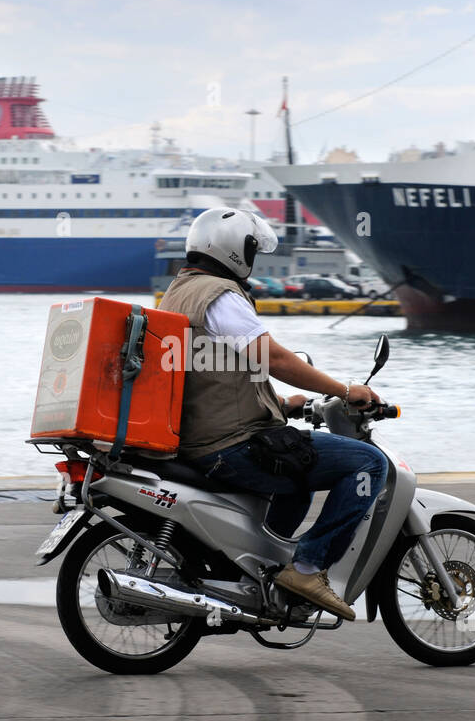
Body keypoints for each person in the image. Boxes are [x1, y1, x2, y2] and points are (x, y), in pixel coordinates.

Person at [157, 207, 387, 621]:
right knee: (369, 462)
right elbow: (274, 357)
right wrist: (344, 390)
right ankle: (307, 569)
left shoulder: (179, 292)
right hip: (228, 445)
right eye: (251, 250)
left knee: (295, 482)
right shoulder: (221, 296)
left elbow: (211, 375)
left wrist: (281, 406)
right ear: (233, 250)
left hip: (202, 437)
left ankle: (259, 575)